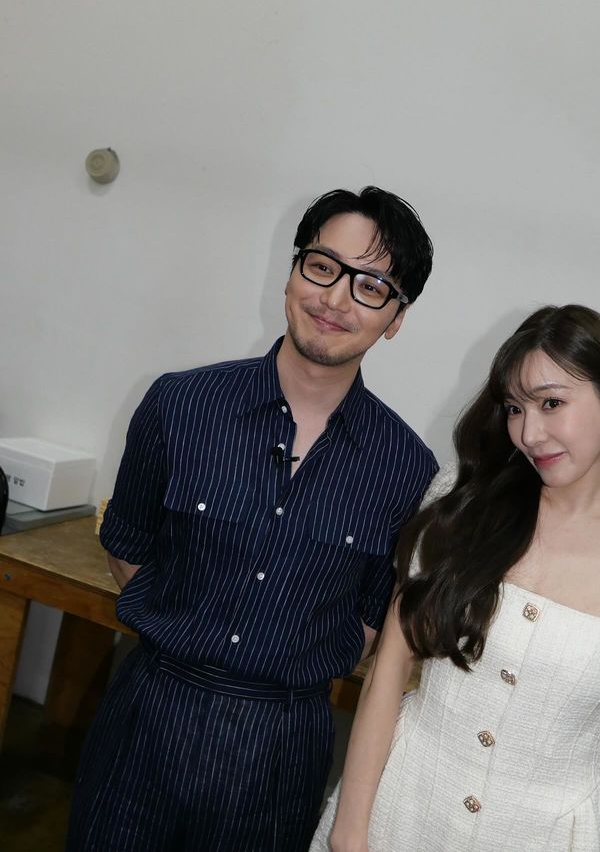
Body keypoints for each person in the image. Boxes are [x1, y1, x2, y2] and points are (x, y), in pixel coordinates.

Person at [66, 186, 438, 852]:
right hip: (150, 713)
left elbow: (369, 618)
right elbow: (126, 543)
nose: (335, 298)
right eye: (322, 266)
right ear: (293, 272)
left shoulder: (405, 467)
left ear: (396, 318)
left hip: (283, 746)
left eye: (370, 285)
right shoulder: (181, 404)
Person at [311, 304, 600, 852]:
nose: (529, 433)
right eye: (514, 408)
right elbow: (390, 669)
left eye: (552, 403)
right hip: (405, 806)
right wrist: (350, 829)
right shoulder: (460, 502)